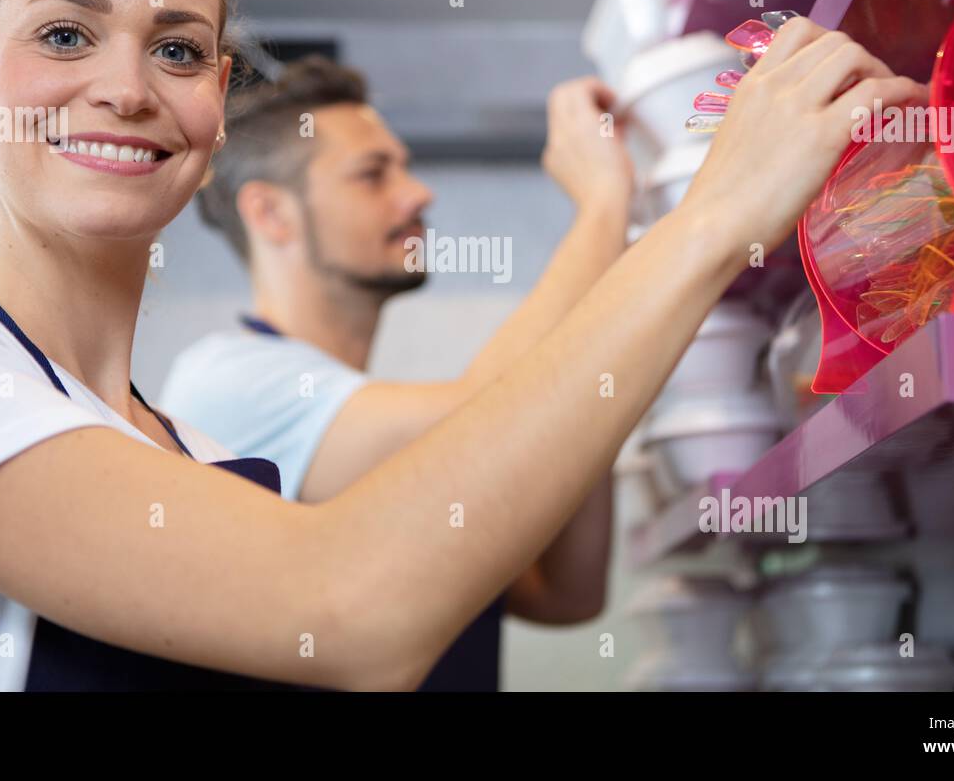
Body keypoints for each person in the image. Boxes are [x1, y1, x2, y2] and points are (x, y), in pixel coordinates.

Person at [0, 0, 926, 691]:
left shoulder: (183, 449)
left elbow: (533, 563)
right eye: (63, 34)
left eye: (181, 49)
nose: (127, 87)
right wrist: (707, 216)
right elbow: (348, 606)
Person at [160, 59, 629, 690]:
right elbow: (488, 420)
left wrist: (590, 384)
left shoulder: (380, 423)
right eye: (372, 174)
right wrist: (603, 206)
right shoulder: (222, 383)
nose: (417, 194)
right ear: (271, 214)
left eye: (403, 167)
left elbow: (564, 595)